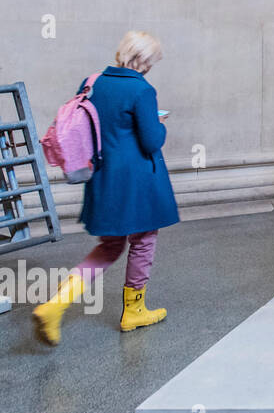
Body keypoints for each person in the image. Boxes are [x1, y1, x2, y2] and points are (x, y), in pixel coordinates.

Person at [33, 31, 178, 346]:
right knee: (143, 240)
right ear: (142, 59)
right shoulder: (142, 90)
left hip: (102, 177)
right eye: (151, 61)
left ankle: (55, 304)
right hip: (136, 181)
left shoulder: (93, 81)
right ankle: (134, 311)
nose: (151, 67)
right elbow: (151, 140)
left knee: (110, 245)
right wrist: (161, 124)